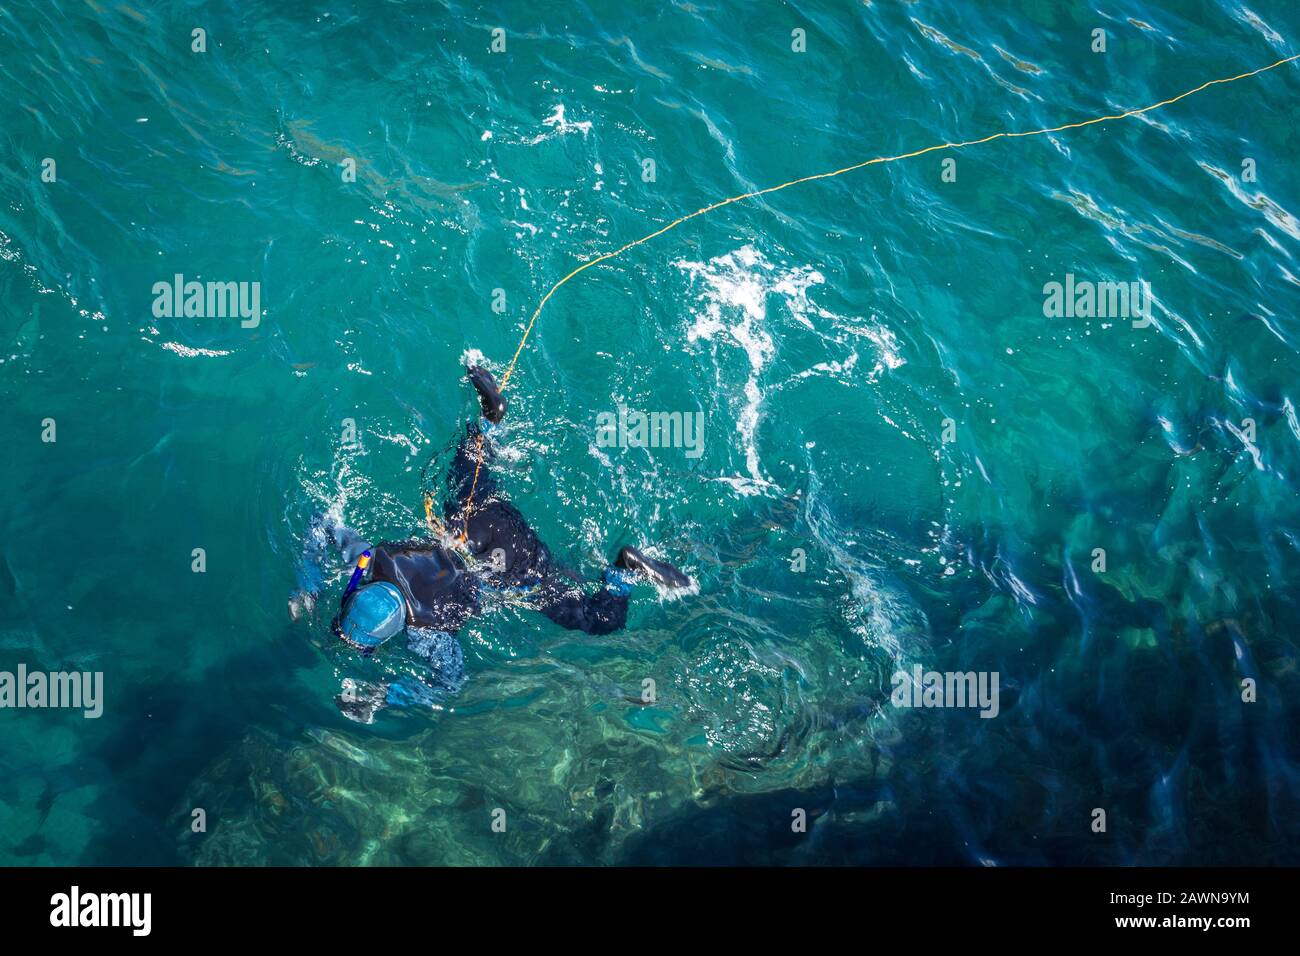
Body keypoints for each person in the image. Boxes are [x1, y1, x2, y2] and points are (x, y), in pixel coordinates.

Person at [292, 365, 691, 722]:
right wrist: (307, 584)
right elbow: (323, 523)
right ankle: (489, 420)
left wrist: (384, 696)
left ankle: (624, 570)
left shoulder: (425, 633)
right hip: (474, 523)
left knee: (601, 621)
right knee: (468, 467)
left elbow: (450, 685)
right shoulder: (369, 560)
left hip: (511, 568)